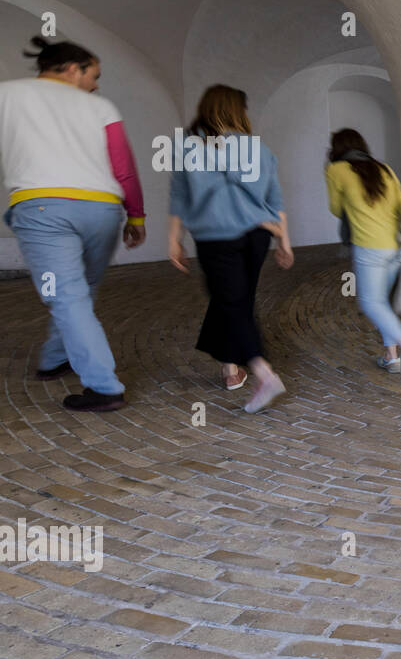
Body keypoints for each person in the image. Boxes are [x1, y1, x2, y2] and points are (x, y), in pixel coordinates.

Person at [0, 36, 146, 412]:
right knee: (81, 292)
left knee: (67, 298)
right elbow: (123, 167)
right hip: (102, 212)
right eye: (93, 75)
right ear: (71, 68)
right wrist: (136, 216)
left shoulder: (9, 95)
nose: (96, 85)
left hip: (44, 212)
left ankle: (104, 388)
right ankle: (54, 358)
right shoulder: (101, 107)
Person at [168, 85, 292, 413]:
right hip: (257, 234)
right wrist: (284, 241)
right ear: (238, 111)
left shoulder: (189, 148)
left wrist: (174, 238)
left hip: (218, 235)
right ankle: (229, 366)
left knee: (232, 301)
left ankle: (263, 373)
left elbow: (180, 196)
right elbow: (275, 200)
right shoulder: (259, 150)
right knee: (236, 299)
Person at [325, 129, 401, 373]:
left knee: (371, 303)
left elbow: (336, 209)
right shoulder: (385, 169)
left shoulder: (336, 170)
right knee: (383, 301)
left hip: (370, 247)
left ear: (336, 149)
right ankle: (392, 358)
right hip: (397, 246)